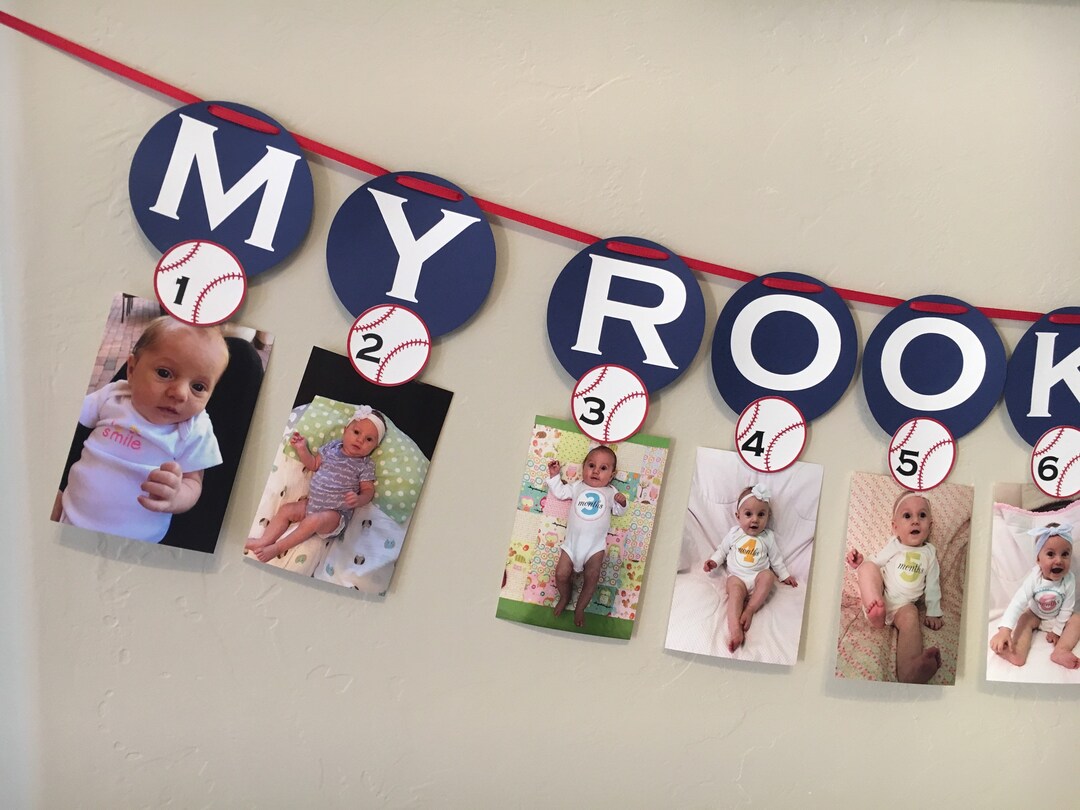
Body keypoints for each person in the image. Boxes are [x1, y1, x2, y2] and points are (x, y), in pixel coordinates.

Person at [53, 316, 230, 543]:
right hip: (69, 517)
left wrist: (176, 496)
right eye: (165, 373)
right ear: (132, 369)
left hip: (135, 541)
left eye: (198, 387)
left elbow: (193, 482)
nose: (180, 393)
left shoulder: (195, 428)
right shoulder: (113, 395)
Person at [245, 406, 384, 563]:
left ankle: (278, 548)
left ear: (375, 446)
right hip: (312, 504)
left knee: (313, 521)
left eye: (369, 439)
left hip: (335, 515)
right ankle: (262, 541)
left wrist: (359, 500)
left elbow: (368, 490)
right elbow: (314, 464)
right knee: (286, 510)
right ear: (345, 430)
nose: (360, 440)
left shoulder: (365, 464)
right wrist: (302, 449)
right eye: (357, 432)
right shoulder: (332, 447)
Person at [845, 491, 943, 683]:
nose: (915, 521)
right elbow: (876, 561)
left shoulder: (929, 553)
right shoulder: (894, 545)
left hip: (903, 607)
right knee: (868, 567)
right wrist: (858, 564)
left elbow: (933, 584)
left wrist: (933, 611)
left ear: (929, 526)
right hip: (881, 596)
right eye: (907, 516)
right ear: (895, 527)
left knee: (911, 616)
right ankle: (876, 614)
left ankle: (911, 670)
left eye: (922, 515)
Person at [703, 484, 797, 652]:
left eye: (761, 514)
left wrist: (784, 576)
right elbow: (722, 550)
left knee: (768, 576)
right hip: (737, 577)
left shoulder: (768, 537)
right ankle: (735, 630)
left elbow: (776, 560)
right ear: (738, 516)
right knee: (735, 594)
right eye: (748, 514)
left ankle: (750, 609)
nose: (755, 519)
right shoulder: (734, 534)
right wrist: (713, 561)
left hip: (757, 577)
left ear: (768, 516)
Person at [545, 445, 627, 627]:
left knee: (593, 577)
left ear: (612, 475)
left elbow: (619, 512)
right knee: (561, 574)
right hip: (571, 545)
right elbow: (560, 492)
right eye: (591, 465)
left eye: (603, 468)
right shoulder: (577, 487)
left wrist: (622, 502)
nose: (596, 471)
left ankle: (580, 607)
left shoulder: (611, 492)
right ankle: (565, 596)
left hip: (595, 548)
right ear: (583, 468)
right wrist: (555, 476)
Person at [990, 523, 1074, 667]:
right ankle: (1017, 653)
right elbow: (1018, 602)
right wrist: (1005, 629)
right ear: (1038, 560)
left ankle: (1061, 650)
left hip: (1058, 616)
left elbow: (1067, 607)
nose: (1059, 560)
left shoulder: (1069, 579)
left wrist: (1057, 630)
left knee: (1077, 619)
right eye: (1050, 554)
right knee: (1024, 618)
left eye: (1065, 554)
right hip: (1036, 615)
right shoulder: (1035, 578)